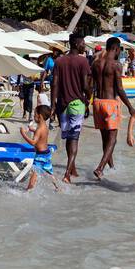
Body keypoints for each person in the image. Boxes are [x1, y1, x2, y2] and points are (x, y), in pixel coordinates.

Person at [91, 38, 135, 180]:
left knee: (105, 139)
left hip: (97, 103)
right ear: (116, 49)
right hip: (110, 103)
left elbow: (89, 85)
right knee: (113, 139)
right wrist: (130, 107)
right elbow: (120, 89)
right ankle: (100, 168)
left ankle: (111, 168)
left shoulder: (96, 63)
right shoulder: (116, 65)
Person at [51, 33, 93, 183]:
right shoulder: (82, 62)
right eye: (83, 43)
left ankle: (72, 167)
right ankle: (67, 174)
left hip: (62, 105)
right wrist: (89, 96)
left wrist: (52, 106)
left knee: (68, 137)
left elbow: (54, 84)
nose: (84, 46)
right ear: (76, 44)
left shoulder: (59, 61)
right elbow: (85, 85)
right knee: (74, 138)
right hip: (76, 104)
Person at [20, 105, 59, 191]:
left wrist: (23, 134)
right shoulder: (45, 126)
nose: (34, 117)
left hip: (40, 155)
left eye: (35, 115)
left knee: (34, 172)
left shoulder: (39, 129)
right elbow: (41, 134)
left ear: (40, 116)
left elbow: (33, 142)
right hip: (47, 153)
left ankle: (29, 189)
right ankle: (58, 188)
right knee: (49, 172)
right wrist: (32, 130)